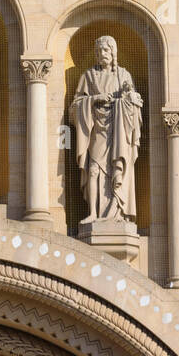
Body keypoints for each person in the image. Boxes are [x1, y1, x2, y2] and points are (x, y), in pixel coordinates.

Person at [69, 34, 143, 223]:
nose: (102, 53)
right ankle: (93, 213)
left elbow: (133, 103)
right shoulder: (89, 76)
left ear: (113, 52)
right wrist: (95, 99)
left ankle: (118, 212)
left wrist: (129, 98)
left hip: (119, 131)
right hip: (97, 129)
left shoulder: (124, 75)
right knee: (93, 169)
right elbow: (75, 106)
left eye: (106, 50)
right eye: (99, 50)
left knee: (117, 168)